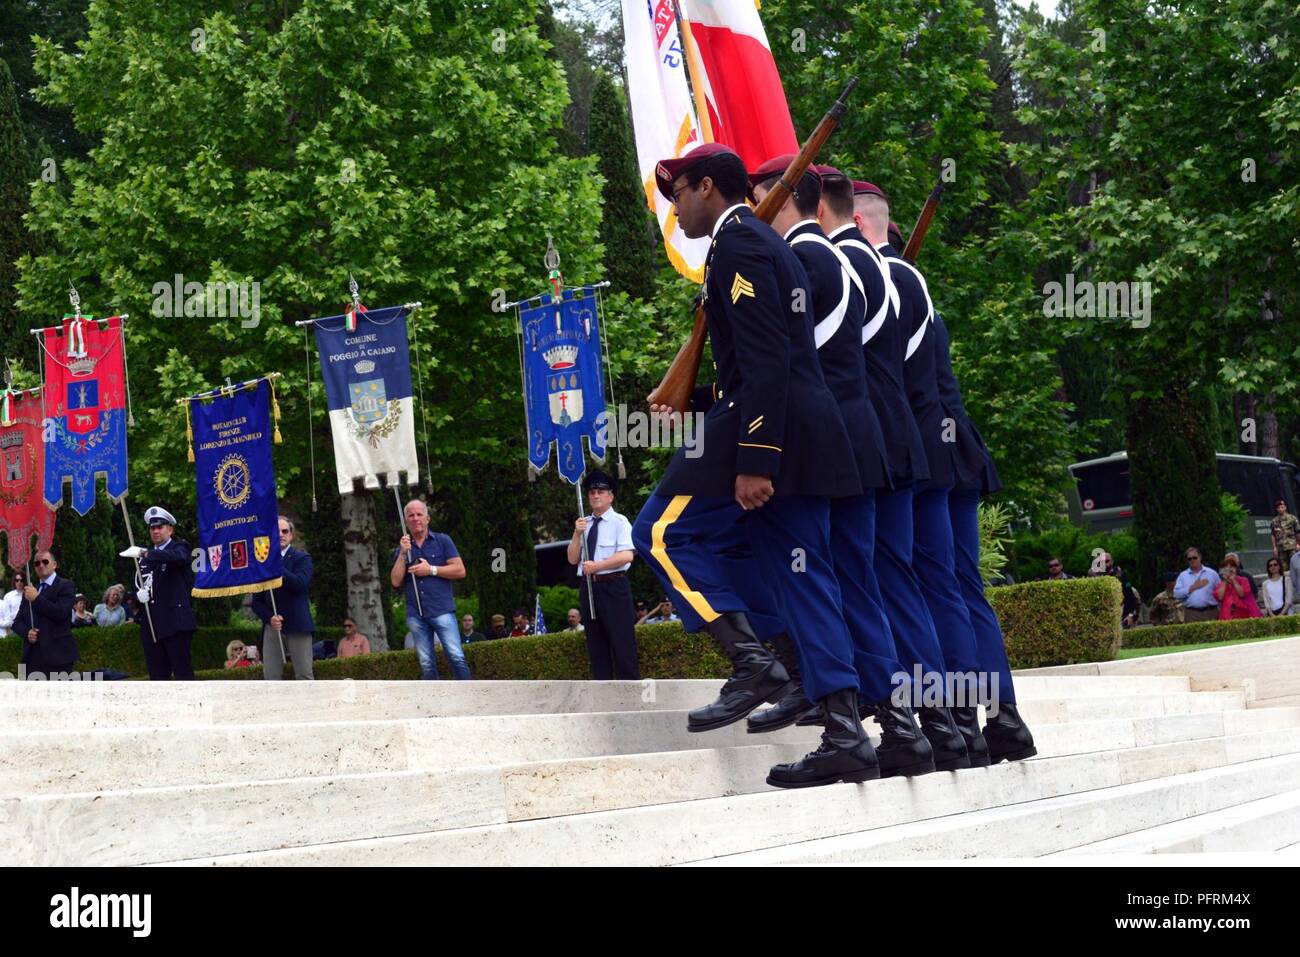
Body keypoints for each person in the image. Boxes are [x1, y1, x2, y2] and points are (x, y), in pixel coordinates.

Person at [631, 143, 877, 788]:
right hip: (792, 426)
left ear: (707, 187)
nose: (674, 210)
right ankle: (839, 726)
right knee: (793, 575)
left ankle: (752, 663)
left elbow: (769, 363)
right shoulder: (760, 244)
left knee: (659, 532)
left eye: (677, 194)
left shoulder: (740, 246)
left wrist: (755, 458)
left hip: (773, 432)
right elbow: (766, 359)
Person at [743, 159, 927, 779]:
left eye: (759, 198)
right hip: (862, 441)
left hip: (822, 445)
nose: (755, 211)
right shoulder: (848, 260)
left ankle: (838, 719)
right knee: (859, 585)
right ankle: (902, 726)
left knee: (807, 577)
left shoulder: (802, 259)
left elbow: (784, 363)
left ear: (785, 198)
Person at [568, 469, 640, 679]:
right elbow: (573, 559)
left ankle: (629, 693)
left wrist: (597, 566)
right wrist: (576, 533)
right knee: (595, 644)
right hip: (589, 588)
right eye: (592, 492)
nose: (595, 495)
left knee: (622, 641)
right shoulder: (584, 524)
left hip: (613, 586)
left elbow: (627, 555)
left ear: (611, 496)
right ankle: (604, 691)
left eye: (600, 491)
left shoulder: (620, 522)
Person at [390, 499, 470, 680]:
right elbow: (395, 581)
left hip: (441, 609)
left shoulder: (442, 540)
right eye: (411, 515)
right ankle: (434, 705)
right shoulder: (404, 547)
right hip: (416, 613)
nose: (415, 518)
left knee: (456, 656)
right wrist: (403, 554)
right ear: (406, 521)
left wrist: (431, 569)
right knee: (426, 663)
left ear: (428, 519)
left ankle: (469, 701)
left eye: (419, 514)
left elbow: (460, 570)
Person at [119, 506, 197, 680]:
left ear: (170, 529)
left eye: (160, 527)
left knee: (183, 674)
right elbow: (141, 584)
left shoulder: (180, 547)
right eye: (152, 528)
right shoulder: (145, 559)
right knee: (157, 677)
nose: (155, 531)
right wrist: (138, 596)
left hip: (175, 623)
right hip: (152, 624)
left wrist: (145, 553)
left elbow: (179, 558)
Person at [251, 517, 315, 680]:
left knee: (304, 675)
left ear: (291, 535)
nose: (280, 535)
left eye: (284, 531)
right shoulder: (262, 562)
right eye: (276, 531)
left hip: (297, 625)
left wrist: (277, 566)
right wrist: (269, 617)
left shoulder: (302, 558)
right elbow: (256, 602)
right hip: (273, 627)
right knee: (271, 677)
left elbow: (300, 585)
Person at [14, 550, 78, 678]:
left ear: (54, 565)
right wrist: (27, 633)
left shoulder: (66, 585)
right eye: (37, 563)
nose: (41, 565)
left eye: (45, 561)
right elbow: (17, 623)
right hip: (32, 657)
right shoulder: (31, 590)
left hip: (58, 657)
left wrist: (37, 598)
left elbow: (61, 613)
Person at [1173, 546, 1221, 623]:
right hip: (1192, 613)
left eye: (1194, 557)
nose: (1192, 560)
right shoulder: (1183, 575)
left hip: (1211, 612)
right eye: (1189, 559)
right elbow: (1176, 594)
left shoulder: (1212, 574)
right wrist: (1191, 588)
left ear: (1200, 557)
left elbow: (1220, 593)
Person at [1271, 500, 1299, 567]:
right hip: (1281, 548)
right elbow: (1273, 535)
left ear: (1285, 507)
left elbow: (1297, 532)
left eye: (1282, 507)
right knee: (1283, 568)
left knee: (1295, 565)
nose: (1280, 509)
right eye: (1278, 508)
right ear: (1277, 509)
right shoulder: (1274, 521)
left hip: (1292, 546)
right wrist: (1274, 547)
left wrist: (1298, 544)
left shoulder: (1292, 518)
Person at [0, 571, 27, 637]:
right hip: (13, 628)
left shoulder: (29, 594)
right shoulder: (8, 596)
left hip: (27, 626)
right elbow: (6, 616)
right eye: (17, 580)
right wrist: (8, 629)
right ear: (14, 581)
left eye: (21, 580)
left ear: (25, 581)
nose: (19, 582)